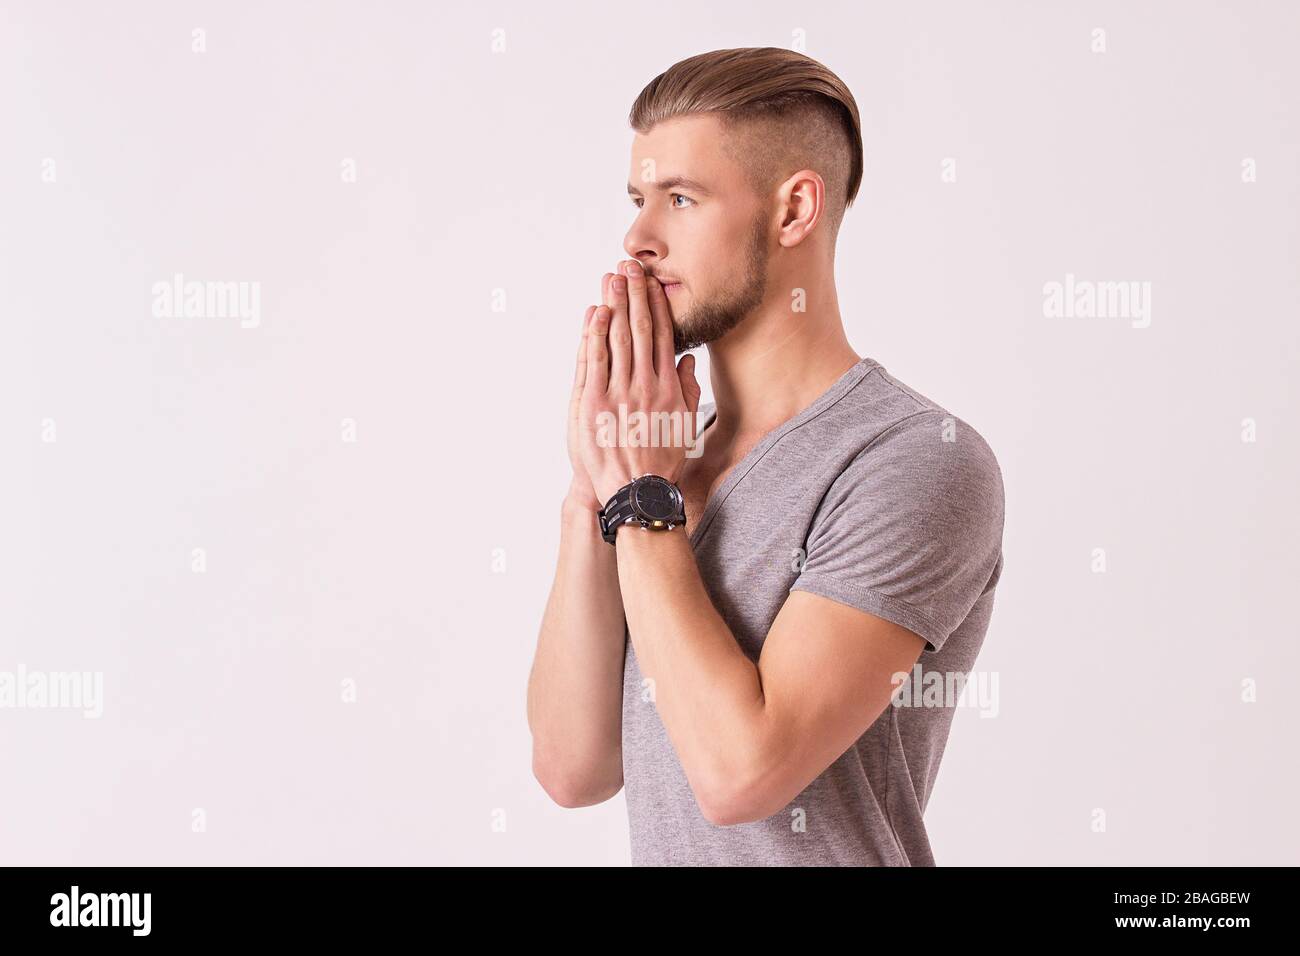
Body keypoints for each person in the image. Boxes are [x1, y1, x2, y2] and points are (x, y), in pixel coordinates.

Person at [527, 47, 1005, 866]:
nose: (637, 237)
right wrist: (591, 487)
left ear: (793, 212)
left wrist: (640, 497)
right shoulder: (658, 463)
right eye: (639, 199)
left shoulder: (915, 460)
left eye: (681, 199)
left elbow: (741, 775)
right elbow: (574, 770)